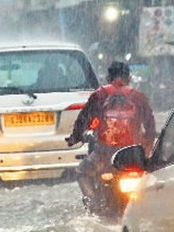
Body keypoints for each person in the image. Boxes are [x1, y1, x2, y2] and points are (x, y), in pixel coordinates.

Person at [66, 61, 156, 200]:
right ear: (129, 78)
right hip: (132, 155)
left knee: (82, 172)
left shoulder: (100, 94)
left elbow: (83, 120)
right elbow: (150, 127)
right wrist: (146, 151)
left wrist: (74, 138)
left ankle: (92, 201)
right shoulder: (138, 97)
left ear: (108, 77)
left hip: (104, 154)